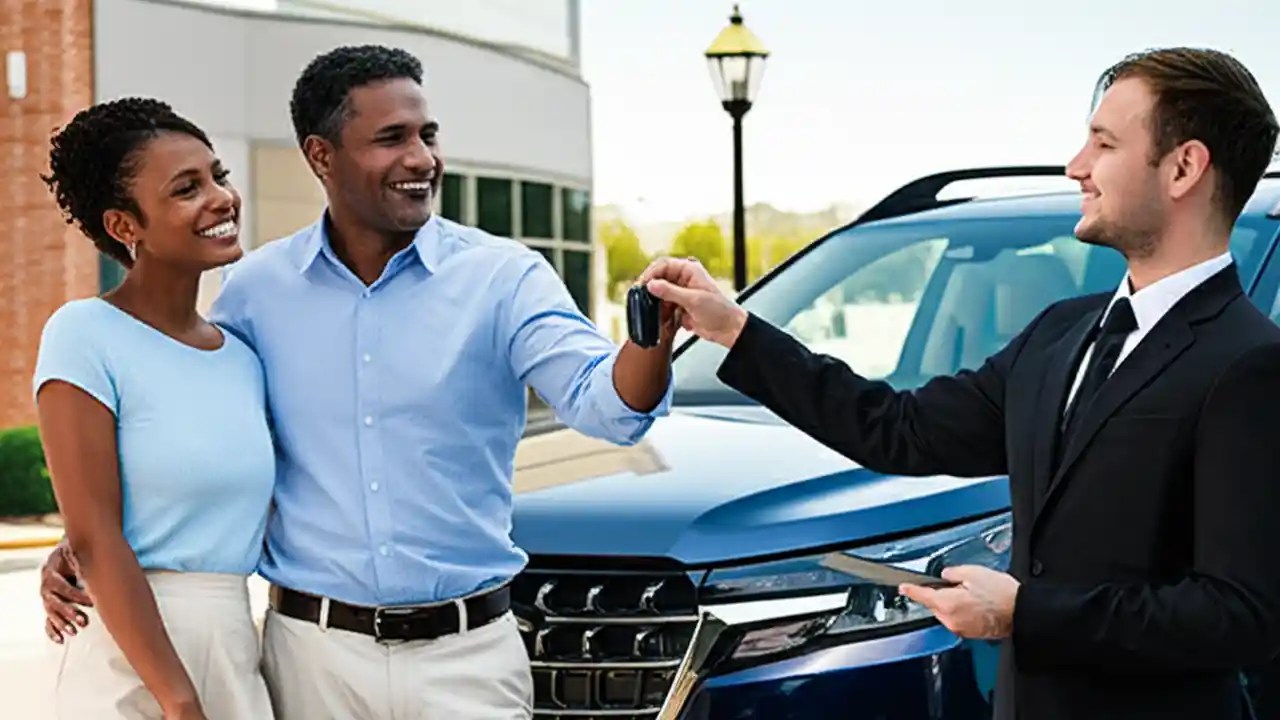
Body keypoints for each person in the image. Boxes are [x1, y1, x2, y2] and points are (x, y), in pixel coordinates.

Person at [637, 47, 1280, 719]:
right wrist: (737, 331)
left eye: (1104, 143)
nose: (1077, 166)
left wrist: (1023, 613)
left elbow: (1240, 615)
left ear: (1184, 168)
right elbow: (897, 430)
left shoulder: (1250, 364)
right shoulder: (1059, 335)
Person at [40, 44, 676, 719]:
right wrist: (92, 539)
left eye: (427, 135)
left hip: (467, 660)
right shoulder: (254, 293)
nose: (422, 158)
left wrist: (649, 340)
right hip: (311, 661)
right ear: (321, 156)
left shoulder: (503, 278)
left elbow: (610, 408)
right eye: (391, 138)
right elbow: (180, 430)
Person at [32, 98, 277, 719]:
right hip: (130, 659)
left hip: (231, 646)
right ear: (124, 226)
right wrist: (178, 699)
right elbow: (95, 537)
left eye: (218, 176)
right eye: (186, 189)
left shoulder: (241, 358)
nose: (221, 197)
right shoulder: (85, 333)